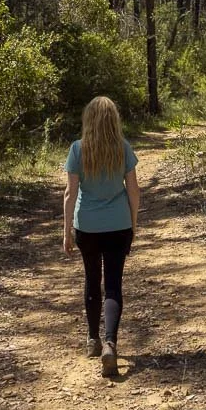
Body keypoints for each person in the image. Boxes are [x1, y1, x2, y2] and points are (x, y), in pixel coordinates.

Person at [62, 96, 140, 376]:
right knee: (114, 286)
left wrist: (67, 230)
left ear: (88, 120)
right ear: (113, 120)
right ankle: (110, 343)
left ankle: (92, 339)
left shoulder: (77, 150)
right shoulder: (123, 148)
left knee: (92, 280)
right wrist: (132, 225)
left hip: (88, 227)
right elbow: (133, 190)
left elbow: (70, 194)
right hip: (118, 225)